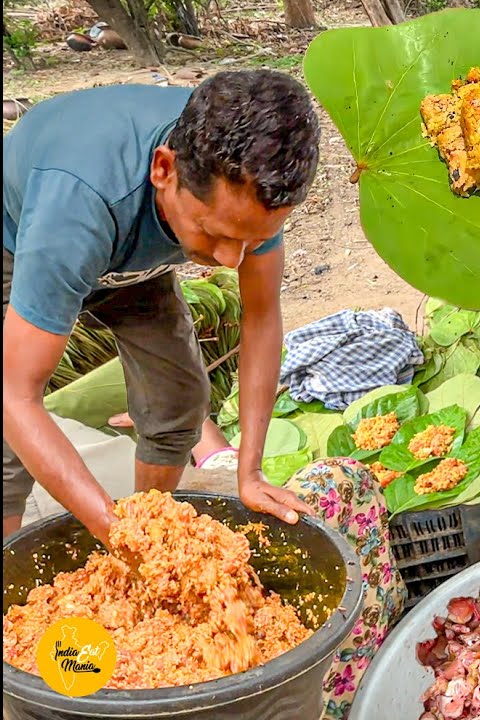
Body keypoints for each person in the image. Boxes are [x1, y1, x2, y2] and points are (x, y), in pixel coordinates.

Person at [2, 70, 322, 545]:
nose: (231, 260)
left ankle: (152, 524)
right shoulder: (76, 209)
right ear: (163, 170)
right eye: (215, 235)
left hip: (129, 252)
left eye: (252, 239)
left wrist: (249, 472)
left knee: (178, 400)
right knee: (8, 450)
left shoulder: (249, 182)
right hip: (20, 243)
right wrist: (112, 530)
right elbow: (15, 394)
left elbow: (261, 317)